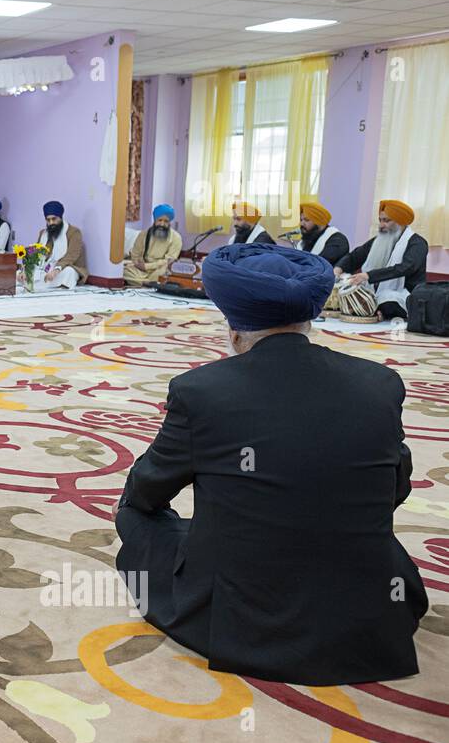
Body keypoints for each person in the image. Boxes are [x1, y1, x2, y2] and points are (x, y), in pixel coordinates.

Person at [114, 242, 426, 685]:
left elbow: (147, 490)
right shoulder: (380, 384)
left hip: (241, 619)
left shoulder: (201, 391)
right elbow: (396, 489)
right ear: (309, 319)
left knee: (135, 517)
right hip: (370, 611)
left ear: (232, 328)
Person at [334, 199, 427, 321]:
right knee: (347, 289)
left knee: (387, 299)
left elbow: (406, 267)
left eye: (387, 220)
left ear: (401, 222)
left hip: (405, 295)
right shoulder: (379, 240)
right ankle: (375, 310)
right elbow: (354, 257)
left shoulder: (417, 243)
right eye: (380, 220)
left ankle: (379, 311)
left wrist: (368, 275)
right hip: (376, 293)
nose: (381, 225)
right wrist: (337, 270)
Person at [124, 204, 183, 287]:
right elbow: (135, 254)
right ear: (155, 220)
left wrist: (147, 266)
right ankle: (150, 284)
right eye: (160, 220)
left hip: (158, 268)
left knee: (164, 271)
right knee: (125, 270)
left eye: (166, 221)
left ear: (169, 222)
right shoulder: (144, 234)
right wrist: (138, 263)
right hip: (141, 270)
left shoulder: (176, 238)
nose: (162, 224)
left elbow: (169, 260)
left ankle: (143, 283)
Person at [34, 201, 87, 288]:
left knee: (69, 272)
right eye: (48, 220)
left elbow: (72, 256)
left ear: (61, 217)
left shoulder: (74, 232)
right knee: (21, 272)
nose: (51, 223)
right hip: (47, 267)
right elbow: (37, 254)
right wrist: (27, 269)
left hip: (67, 267)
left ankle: (39, 283)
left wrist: (57, 269)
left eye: (54, 219)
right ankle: (41, 282)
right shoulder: (43, 233)